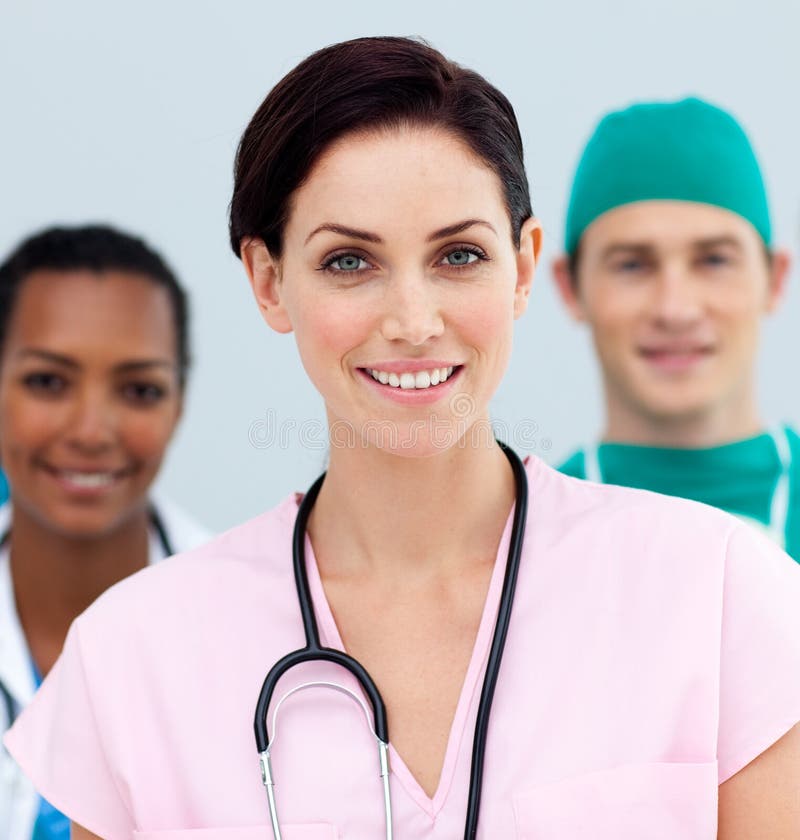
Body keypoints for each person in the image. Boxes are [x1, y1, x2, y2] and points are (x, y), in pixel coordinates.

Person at [5, 39, 800, 839]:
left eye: (459, 255)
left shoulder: (724, 598)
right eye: (350, 261)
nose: (413, 322)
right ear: (268, 280)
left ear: (522, 268)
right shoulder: (136, 654)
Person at [0, 225, 211, 840]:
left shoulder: (263, 625)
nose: (92, 430)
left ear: (178, 405)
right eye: (47, 382)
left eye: (139, 390)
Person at [552, 98, 798, 556]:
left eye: (714, 260)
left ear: (775, 280)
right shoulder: (519, 539)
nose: (675, 309)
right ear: (570, 288)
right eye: (632, 265)